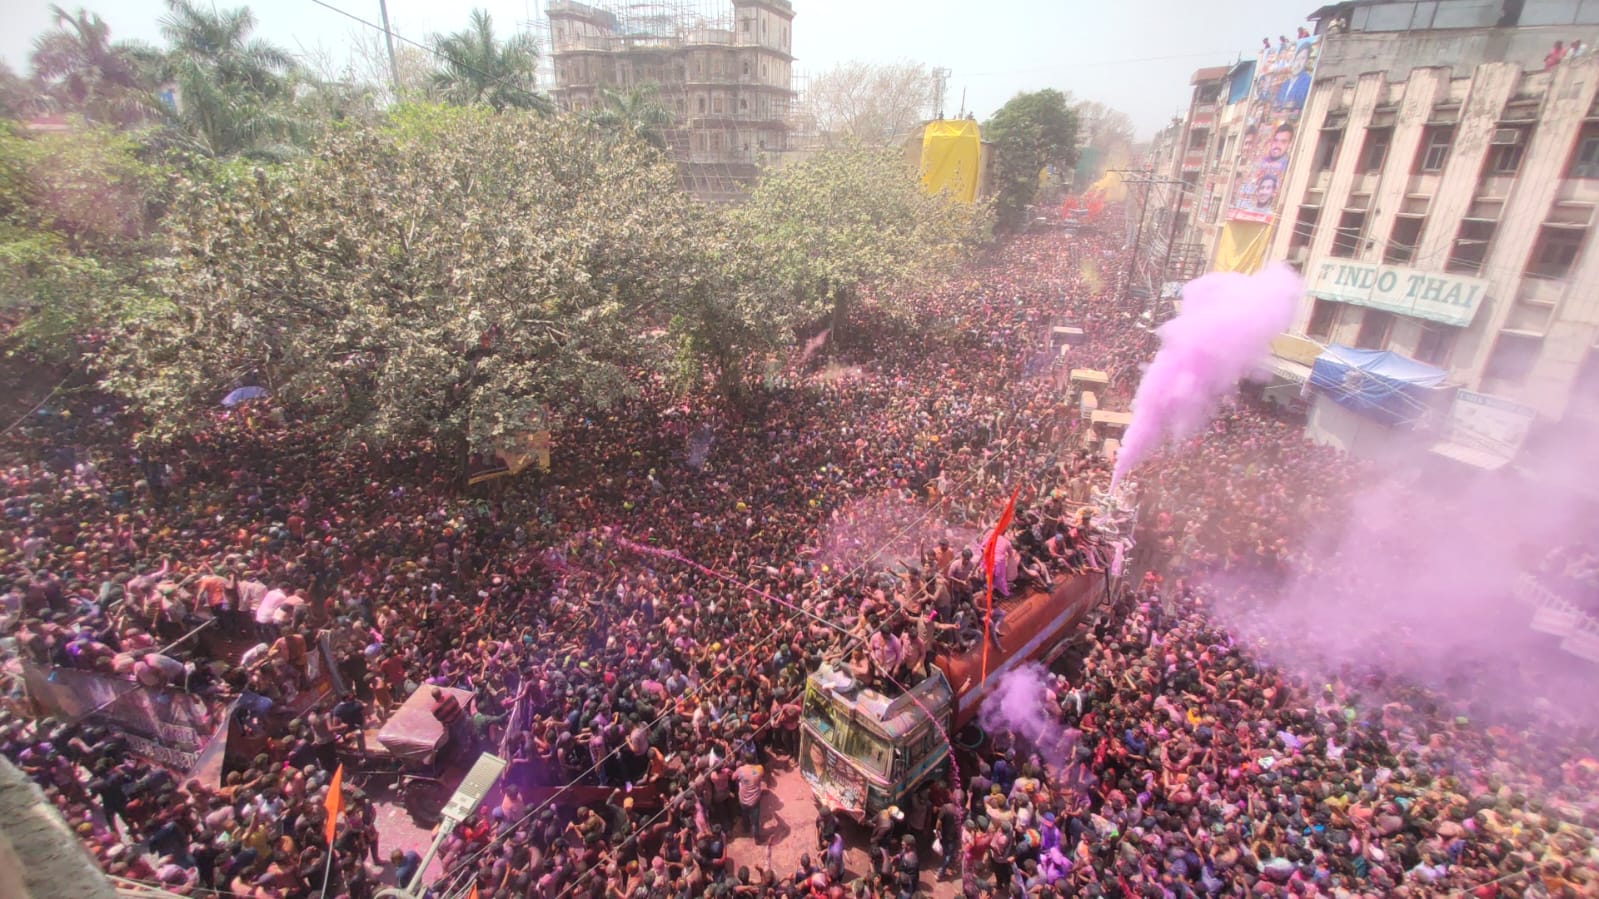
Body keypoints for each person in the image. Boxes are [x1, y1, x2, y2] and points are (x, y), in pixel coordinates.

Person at [732, 757, 765, 842]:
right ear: (754, 761)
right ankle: (756, 838)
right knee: (755, 821)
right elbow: (760, 775)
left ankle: (746, 829)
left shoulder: (740, 770)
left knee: (745, 815)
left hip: (743, 799)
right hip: (755, 800)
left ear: (745, 761)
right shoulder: (759, 769)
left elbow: (733, 777)